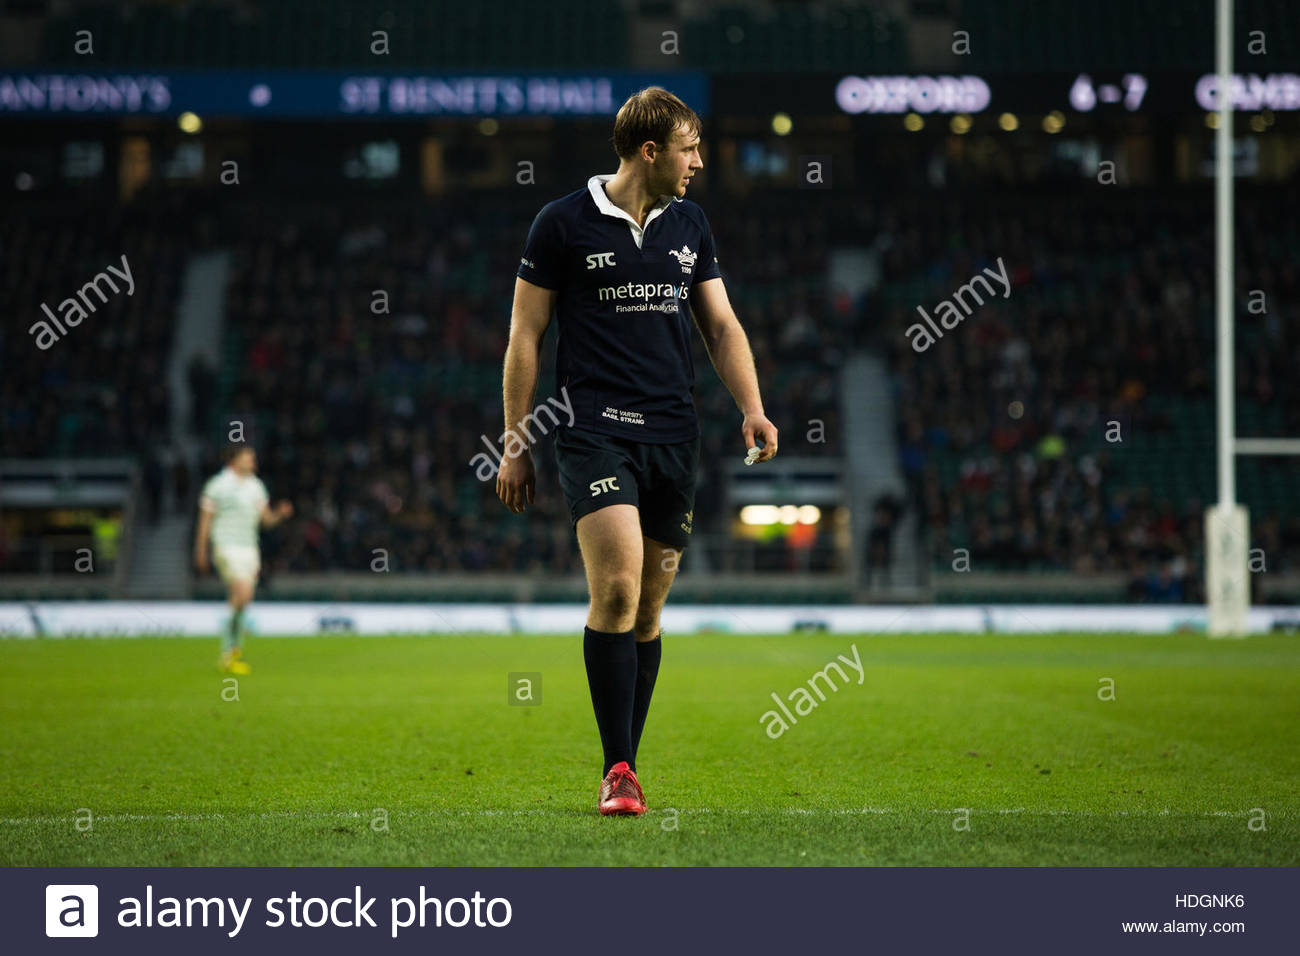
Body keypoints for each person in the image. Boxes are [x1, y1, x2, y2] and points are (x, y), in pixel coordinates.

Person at [496, 87, 778, 816]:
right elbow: (525, 337)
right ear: (649, 151)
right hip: (595, 430)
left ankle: (627, 760)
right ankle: (617, 769)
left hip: (674, 437)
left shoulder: (691, 224)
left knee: (649, 611)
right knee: (617, 590)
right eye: (689, 149)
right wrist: (516, 441)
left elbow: (720, 325)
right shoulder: (560, 223)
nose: (699, 162)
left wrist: (751, 407)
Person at [194, 445, 293, 674]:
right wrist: (200, 550)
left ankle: (231, 652)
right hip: (226, 545)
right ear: (233, 460)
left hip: (249, 547)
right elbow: (205, 520)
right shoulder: (217, 485)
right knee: (244, 592)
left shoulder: (256, 486)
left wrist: (280, 513)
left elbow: (266, 521)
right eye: (248, 458)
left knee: (241, 600)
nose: (253, 462)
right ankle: (230, 642)